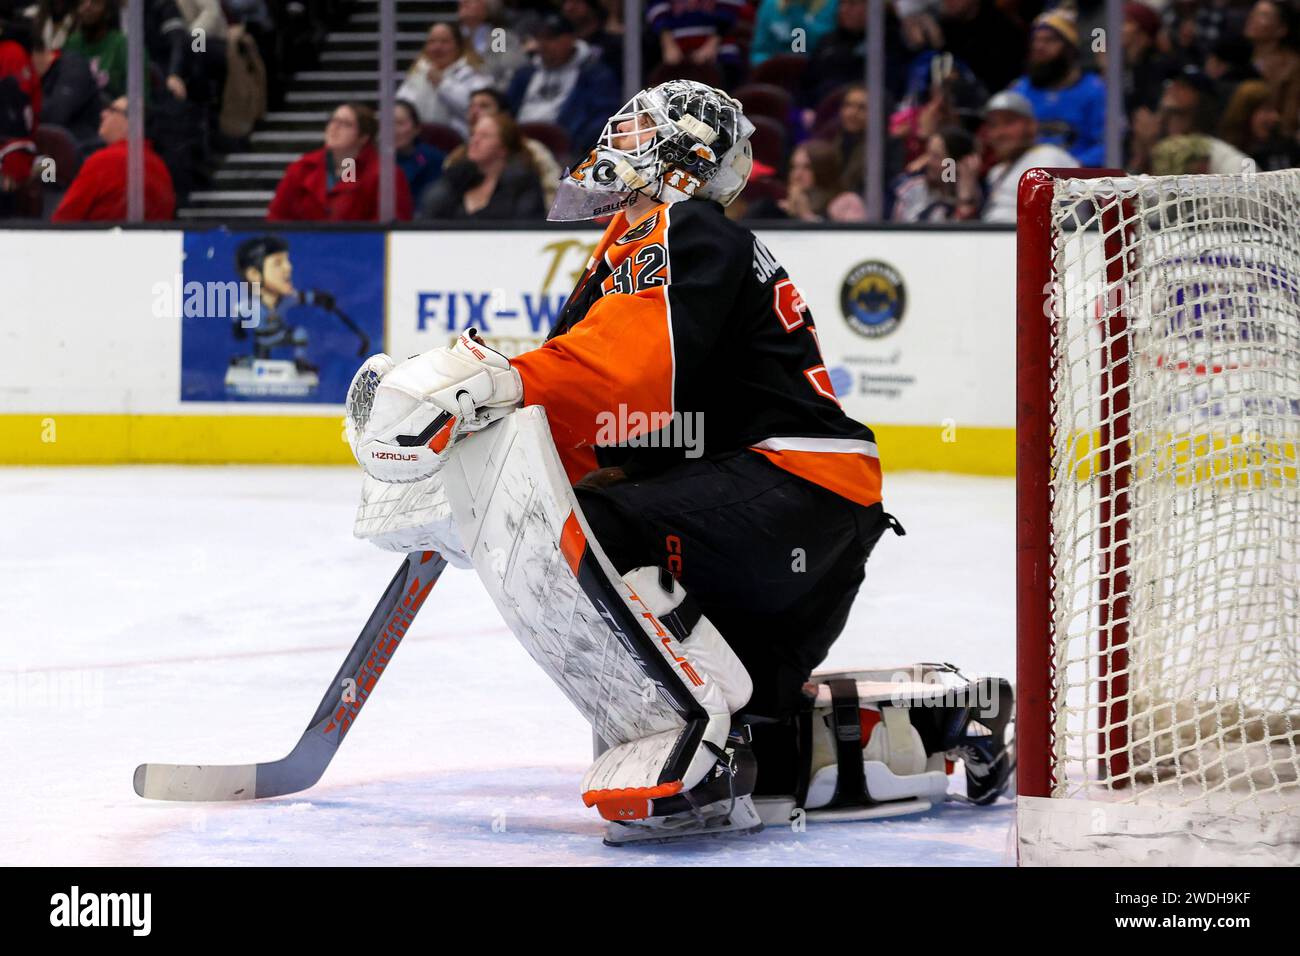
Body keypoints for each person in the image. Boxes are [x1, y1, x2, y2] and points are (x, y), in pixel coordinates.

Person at [348, 80, 1008, 840]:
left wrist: (498, 380)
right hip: (801, 511)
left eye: (635, 133)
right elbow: (617, 420)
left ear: (684, 157)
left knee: (587, 529)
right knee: (768, 742)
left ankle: (701, 737)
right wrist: (471, 472)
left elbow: (629, 373)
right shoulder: (648, 247)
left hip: (787, 489)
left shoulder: (683, 226)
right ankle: (958, 714)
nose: (613, 145)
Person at [267, 102, 413, 221]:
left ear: (363, 137)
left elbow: (392, 227)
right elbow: (277, 217)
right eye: (333, 120)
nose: (334, 127)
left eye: (346, 124)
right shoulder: (302, 168)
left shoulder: (382, 174)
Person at [506, 12, 619, 153]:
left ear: (570, 38)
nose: (543, 45)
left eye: (551, 38)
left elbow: (603, 116)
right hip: (519, 145)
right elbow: (507, 109)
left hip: (567, 150)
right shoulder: (525, 74)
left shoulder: (594, 75)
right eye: (539, 38)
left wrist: (577, 146)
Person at [51, 96, 177, 220]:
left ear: (131, 122)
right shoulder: (161, 167)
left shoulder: (105, 160)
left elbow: (64, 219)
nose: (103, 114)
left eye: (112, 110)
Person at [1008, 8, 1107, 166]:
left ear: (1069, 48)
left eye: (1049, 40)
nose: (1039, 47)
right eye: (1036, 40)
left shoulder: (1095, 90)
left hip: (1079, 179)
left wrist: (1071, 168)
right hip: (1027, 175)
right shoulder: (1019, 90)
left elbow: (1108, 144)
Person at [419, 109, 544, 219]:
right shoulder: (455, 179)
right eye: (473, 134)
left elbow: (525, 229)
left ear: (503, 148)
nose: (474, 141)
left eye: (484, 136)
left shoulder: (522, 184)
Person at [979, 89, 1075, 223]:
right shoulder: (996, 172)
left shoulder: (1048, 156)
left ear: (1031, 125)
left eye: (1008, 123)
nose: (1000, 133)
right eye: (993, 125)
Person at [396, 20, 494, 136]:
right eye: (432, 42)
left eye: (445, 41)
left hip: (460, 143)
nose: (437, 47)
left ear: (459, 46)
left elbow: (477, 111)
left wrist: (442, 84)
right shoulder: (417, 73)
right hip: (420, 143)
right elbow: (401, 107)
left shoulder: (477, 75)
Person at [891, 125, 981, 222]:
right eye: (928, 153)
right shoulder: (912, 190)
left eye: (937, 157)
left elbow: (964, 234)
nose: (929, 162)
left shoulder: (976, 195)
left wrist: (965, 192)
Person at [394, 98, 444, 208]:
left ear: (416, 128)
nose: (394, 130)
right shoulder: (374, 160)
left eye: (400, 123)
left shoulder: (432, 158)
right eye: (388, 124)